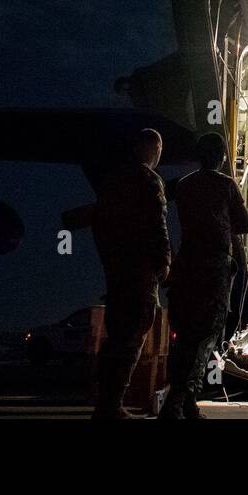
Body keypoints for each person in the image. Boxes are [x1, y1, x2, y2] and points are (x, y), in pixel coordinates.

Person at [160, 131, 248, 419]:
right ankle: (179, 401)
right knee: (206, 335)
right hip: (214, 269)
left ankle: (182, 401)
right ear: (222, 157)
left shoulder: (185, 185)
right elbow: (244, 225)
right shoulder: (225, 185)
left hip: (187, 266)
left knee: (184, 335)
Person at [91, 129, 170, 420]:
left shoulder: (112, 181)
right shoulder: (149, 180)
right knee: (132, 338)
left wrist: (110, 263)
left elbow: (98, 224)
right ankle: (112, 406)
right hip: (140, 274)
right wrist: (164, 263)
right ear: (154, 149)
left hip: (116, 273)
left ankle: (105, 403)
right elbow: (157, 225)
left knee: (114, 339)